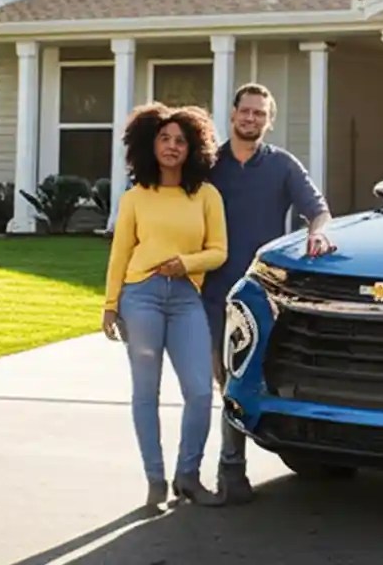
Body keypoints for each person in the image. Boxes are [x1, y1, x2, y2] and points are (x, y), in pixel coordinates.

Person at [202, 83, 333, 505]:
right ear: (233, 113)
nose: (252, 119)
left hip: (261, 297)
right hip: (209, 294)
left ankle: (242, 468)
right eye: (246, 111)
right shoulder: (209, 164)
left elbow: (319, 211)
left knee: (249, 383)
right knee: (225, 386)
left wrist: (318, 234)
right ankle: (227, 470)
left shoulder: (282, 166)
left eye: (260, 114)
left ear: (268, 120)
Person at [102, 102, 228, 510]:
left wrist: (186, 264)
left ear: (194, 148)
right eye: (164, 139)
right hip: (140, 297)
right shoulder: (135, 197)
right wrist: (110, 305)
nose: (172, 146)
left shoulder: (206, 195)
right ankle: (155, 481)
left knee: (199, 391)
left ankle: (187, 476)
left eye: (181, 140)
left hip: (185, 298)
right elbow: (120, 254)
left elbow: (219, 251)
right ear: (149, 144)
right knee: (145, 392)